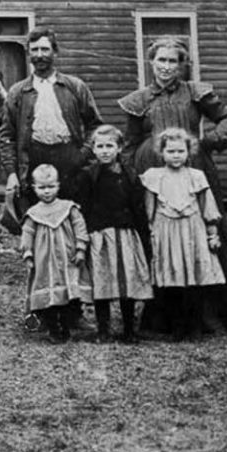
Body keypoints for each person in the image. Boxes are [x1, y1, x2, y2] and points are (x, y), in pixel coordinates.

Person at [119, 36, 227, 332]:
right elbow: (129, 144)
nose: (166, 67)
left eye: (172, 61)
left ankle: (211, 314)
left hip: (193, 170)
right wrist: (130, 179)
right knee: (159, 238)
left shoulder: (195, 93)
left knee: (204, 234)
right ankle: (161, 317)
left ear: (182, 65)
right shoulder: (139, 99)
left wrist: (205, 144)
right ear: (151, 62)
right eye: (161, 60)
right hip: (152, 173)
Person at [0, 27, 103, 213]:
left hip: (69, 158)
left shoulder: (75, 87)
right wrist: (12, 173)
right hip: (32, 159)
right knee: (36, 216)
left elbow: (95, 127)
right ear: (28, 53)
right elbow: (7, 136)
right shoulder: (17, 92)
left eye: (45, 49)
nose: (40, 55)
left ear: (55, 52)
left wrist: (82, 155)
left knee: (73, 214)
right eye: (35, 50)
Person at [140, 127, 227, 342]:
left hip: (192, 231)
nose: (176, 156)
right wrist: (150, 232)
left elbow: (208, 208)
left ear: (188, 152)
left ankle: (195, 327)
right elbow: (148, 209)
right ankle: (176, 327)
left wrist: (212, 233)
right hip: (166, 232)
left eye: (180, 151)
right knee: (172, 280)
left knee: (194, 279)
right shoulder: (154, 176)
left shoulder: (196, 176)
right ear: (162, 153)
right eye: (171, 151)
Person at [70, 124, 152, 343]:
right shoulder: (88, 176)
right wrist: (84, 236)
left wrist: (144, 236)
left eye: (109, 146)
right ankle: (103, 329)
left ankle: (128, 330)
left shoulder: (130, 174)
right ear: (94, 150)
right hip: (99, 236)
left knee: (128, 282)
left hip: (125, 235)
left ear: (119, 148)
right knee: (101, 280)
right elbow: (83, 209)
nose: (105, 151)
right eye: (100, 146)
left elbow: (138, 207)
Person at [19, 163, 91, 343]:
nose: (47, 191)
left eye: (51, 186)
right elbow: (27, 234)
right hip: (44, 261)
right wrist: (28, 254)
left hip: (67, 258)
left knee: (67, 295)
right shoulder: (34, 213)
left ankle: (66, 327)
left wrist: (81, 248)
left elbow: (80, 226)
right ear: (34, 188)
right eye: (42, 187)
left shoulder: (68, 208)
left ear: (58, 186)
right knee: (48, 297)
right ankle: (52, 329)